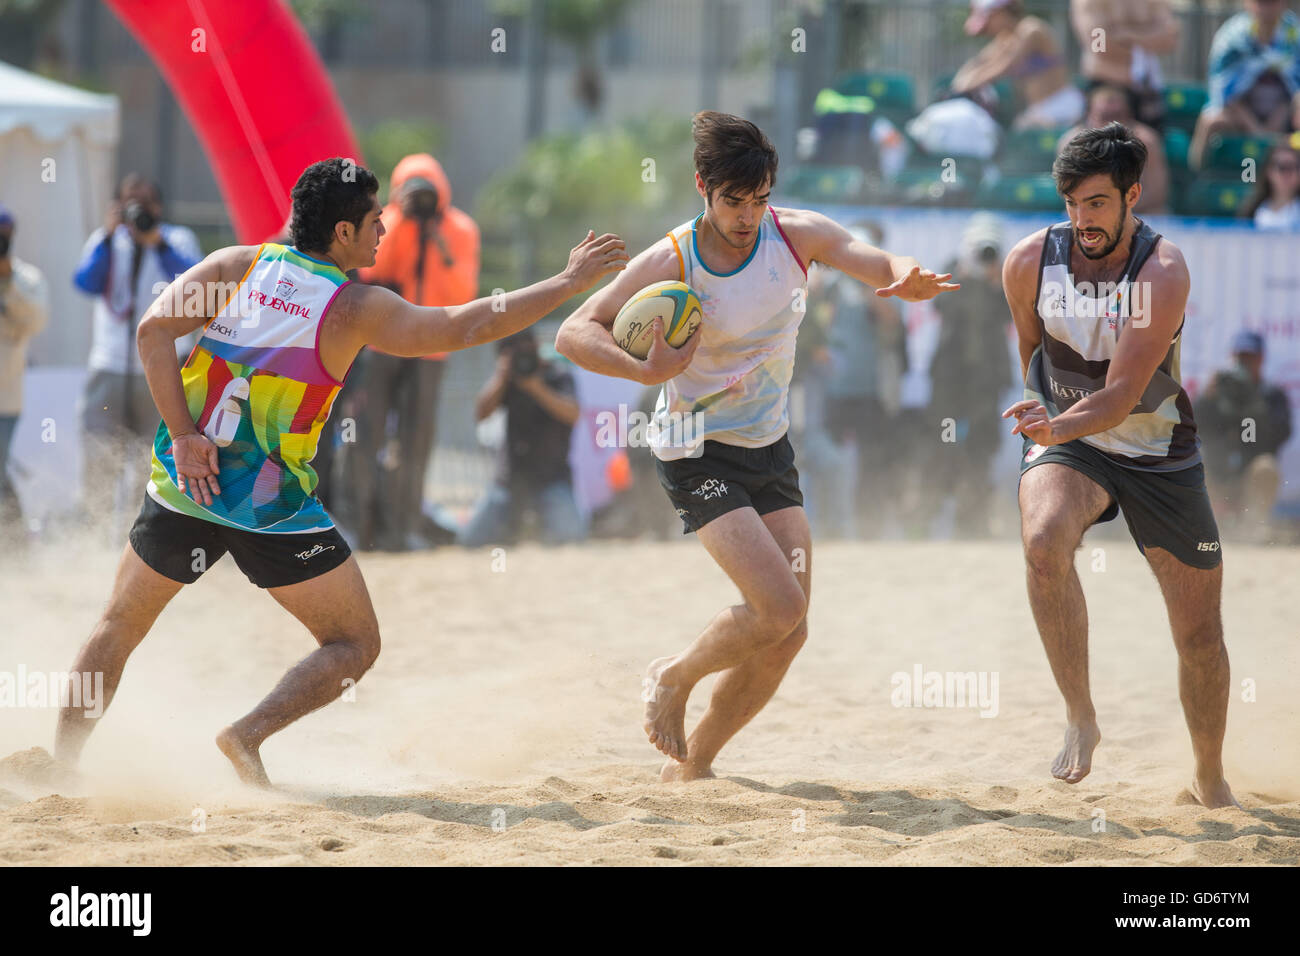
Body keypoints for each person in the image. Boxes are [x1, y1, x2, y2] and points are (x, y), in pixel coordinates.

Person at [53, 157, 626, 787]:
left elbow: (151, 331)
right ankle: (246, 735)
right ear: (343, 234)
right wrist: (566, 283)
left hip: (188, 484)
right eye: (375, 220)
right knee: (355, 643)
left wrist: (186, 439)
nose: (384, 231)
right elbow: (464, 324)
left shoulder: (237, 265)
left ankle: (62, 765)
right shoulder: (354, 305)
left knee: (117, 626)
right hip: (270, 508)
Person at [556, 111, 957, 781]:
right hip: (692, 447)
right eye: (733, 201)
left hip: (767, 447)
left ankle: (694, 766)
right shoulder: (674, 258)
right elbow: (574, 330)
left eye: (760, 198)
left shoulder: (795, 237)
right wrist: (645, 371)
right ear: (703, 190)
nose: (748, 216)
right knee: (778, 606)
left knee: (789, 631)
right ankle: (673, 677)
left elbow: (873, 258)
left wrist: (906, 272)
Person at [1001, 122, 1236, 808]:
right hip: (1072, 442)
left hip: (1158, 449)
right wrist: (1045, 423)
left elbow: (1127, 396)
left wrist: (1054, 421)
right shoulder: (1027, 262)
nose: (1083, 219)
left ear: (1133, 196)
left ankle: (1210, 775)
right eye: (1072, 203)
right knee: (1043, 542)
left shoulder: (1163, 271)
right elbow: (1031, 353)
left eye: (1098, 203)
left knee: (1199, 634)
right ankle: (1080, 714)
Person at [344, 153, 480, 551]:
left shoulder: (461, 229)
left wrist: (434, 235)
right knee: (365, 435)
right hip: (383, 344)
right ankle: (359, 527)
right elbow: (372, 270)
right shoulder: (387, 221)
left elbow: (462, 292)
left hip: (432, 350)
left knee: (416, 439)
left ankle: (404, 529)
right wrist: (402, 219)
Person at [72, 174, 202, 528]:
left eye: (145, 203)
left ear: (158, 207)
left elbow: (195, 280)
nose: (138, 210)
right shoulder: (105, 241)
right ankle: (95, 529)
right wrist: (111, 236)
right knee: (99, 450)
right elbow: (85, 282)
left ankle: (143, 530)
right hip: (110, 363)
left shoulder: (177, 239)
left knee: (154, 456)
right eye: (130, 202)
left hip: (162, 367)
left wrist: (156, 243)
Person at [920, 214, 1014, 538]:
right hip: (950, 380)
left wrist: (998, 281)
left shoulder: (1005, 279)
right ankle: (925, 521)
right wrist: (962, 274)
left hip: (985, 383)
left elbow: (1015, 313)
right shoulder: (951, 270)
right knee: (941, 446)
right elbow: (940, 306)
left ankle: (972, 525)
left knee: (980, 449)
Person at [458, 328, 586, 547]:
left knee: (570, 537)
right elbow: (481, 413)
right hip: (509, 483)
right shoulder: (507, 382)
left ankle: (530, 528)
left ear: (536, 347)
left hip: (552, 480)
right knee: (471, 540)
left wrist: (537, 388)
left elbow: (573, 414)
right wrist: (501, 378)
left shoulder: (558, 375)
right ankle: (518, 528)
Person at [823, 221, 908, 539]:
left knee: (871, 463)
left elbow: (893, 326)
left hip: (872, 393)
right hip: (834, 391)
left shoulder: (884, 287)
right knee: (827, 459)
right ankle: (830, 526)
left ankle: (866, 527)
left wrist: (868, 285)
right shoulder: (829, 287)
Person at [1196, 330, 1292, 540]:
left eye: (1250, 357)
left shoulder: (1272, 395)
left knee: (1266, 466)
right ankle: (1203, 528)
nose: (1245, 363)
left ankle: (1253, 528)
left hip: (1248, 477)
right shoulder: (1219, 390)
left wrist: (1254, 404)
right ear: (1232, 357)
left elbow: (1279, 436)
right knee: (1195, 462)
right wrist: (1208, 396)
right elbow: (1195, 428)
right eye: (1241, 357)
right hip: (1218, 475)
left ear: (1261, 359)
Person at [1190, 0, 1300, 169]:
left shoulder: (1295, 35)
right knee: (1210, 121)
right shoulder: (1231, 34)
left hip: (1286, 117)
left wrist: (1282, 114)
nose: (1266, 6)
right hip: (1238, 115)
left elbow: (1296, 89)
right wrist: (1255, 128)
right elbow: (1223, 90)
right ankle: (1200, 183)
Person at [952, 0, 1085, 130]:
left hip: (1062, 105)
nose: (988, 28)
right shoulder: (1006, 38)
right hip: (1039, 110)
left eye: (989, 19)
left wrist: (966, 85)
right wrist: (963, 82)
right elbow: (978, 63)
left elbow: (1004, 67)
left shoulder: (1031, 29)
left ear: (1001, 12)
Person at [0, 203, 51, 537]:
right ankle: (17, 535)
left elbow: (37, 321)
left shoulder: (26, 278)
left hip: (5, 395)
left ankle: (16, 535)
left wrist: (8, 281)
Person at [1059, 82, 1169, 213]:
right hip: (1088, 214)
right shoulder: (1072, 143)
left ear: (1129, 116)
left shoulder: (1147, 141)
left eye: (1117, 116)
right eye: (1104, 117)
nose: (1112, 124)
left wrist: (1115, 212)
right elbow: (1068, 192)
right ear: (1089, 117)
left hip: (1139, 214)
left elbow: (1157, 195)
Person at [1070, 0, 1180, 131]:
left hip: (1146, 92)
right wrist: (1148, 36)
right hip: (1103, 85)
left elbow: (1169, 40)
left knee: (1148, 142)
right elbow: (1099, 45)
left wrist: (1123, 35)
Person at [1241, 134, 1300, 228]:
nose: (1288, 173)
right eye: (1282, 167)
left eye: (1294, 167)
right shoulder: (1252, 212)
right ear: (1269, 171)